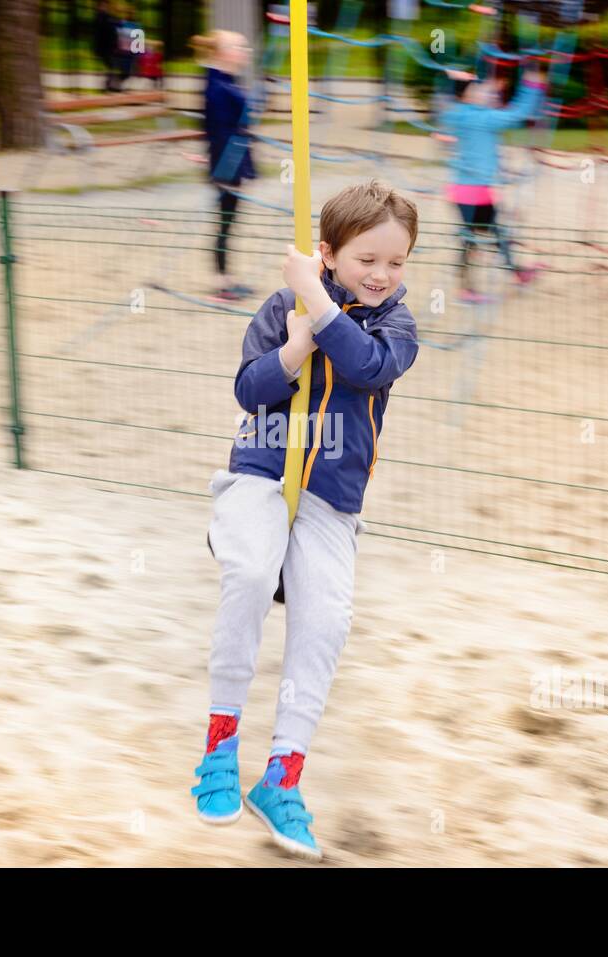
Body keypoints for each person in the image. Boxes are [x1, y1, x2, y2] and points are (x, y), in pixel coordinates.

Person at [191, 181, 421, 862]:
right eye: (366, 260)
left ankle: (282, 775)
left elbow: (366, 365)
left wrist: (321, 305)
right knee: (252, 573)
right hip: (261, 473)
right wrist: (293, 347)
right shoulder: (280, 306)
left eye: (397, 262)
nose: (382, 275)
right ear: (327, 251)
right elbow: (248, 390)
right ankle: (220, 747)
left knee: (326, 619)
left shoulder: (395, 325)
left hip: (333, 495)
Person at [441, 63, 548, 302]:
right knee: (474, 240)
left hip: (466, 190)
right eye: (478, 89)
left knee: (489, 235)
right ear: (467, 94)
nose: (485, 93)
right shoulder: (481, 118)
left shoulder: (458, 113)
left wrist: (478, 85)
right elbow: (518, 115)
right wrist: (532, 85)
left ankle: (515, 274)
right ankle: (469, 289)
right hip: (473, 191)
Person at [192, 29, 256, 301]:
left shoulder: (226, 81)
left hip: (232, 164)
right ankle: (222, 284)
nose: (245, 52)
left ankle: (226, 279)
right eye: (238, 47)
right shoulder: (217, 86)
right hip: (225, 167)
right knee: (225, 224)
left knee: (228, 222)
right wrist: (224, 170)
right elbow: (217, 132)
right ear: (222, 53)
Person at [92, 0, 121, 92]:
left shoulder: (107, 17)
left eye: (105, 5)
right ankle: (108, 86)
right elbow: (97, 35)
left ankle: (109, 86)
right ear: (99, 7)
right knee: (111, 66)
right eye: (103, 6)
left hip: (110, 46)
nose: (105, 7)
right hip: (104, 47)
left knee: (111, 66)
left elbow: (118, 24)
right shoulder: (100, 18)